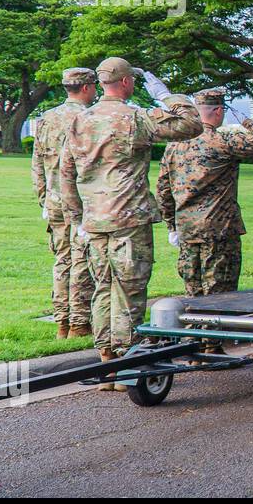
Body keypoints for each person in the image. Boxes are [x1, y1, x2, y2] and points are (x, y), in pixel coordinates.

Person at [59, 59, 201, 381]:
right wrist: (165, 94)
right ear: (125, 83)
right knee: (130, 290)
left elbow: (65, 172)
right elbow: (191, 124)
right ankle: (126, 363)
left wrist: (76, 216)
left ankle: (106, 359)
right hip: (128, 218)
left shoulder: (81, 121)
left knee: (104, 287)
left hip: (94, 220)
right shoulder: (136, 118)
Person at [156, 88, 253, 296]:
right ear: (219, 111)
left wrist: (171, 225)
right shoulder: (223, 142)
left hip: (187, 227)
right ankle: (212, 327)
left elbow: (163, 190)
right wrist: (247, 121)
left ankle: (194, 327)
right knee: (220, 293)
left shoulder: (174, 145)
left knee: (193, 291)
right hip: (219, 229)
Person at [31, 67, 98, 339]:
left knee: (62, 260)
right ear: (86, 87)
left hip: (55, 201)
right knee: (81, 260)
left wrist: (43, 198)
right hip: (81, 202)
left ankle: (62, 322)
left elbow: (37, 162)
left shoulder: (47, 118)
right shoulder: (88, 118)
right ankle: (80, 324)